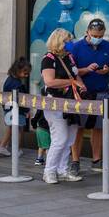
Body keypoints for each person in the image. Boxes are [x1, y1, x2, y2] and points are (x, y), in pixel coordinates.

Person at [65, 18, 109, 175]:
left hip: (101, 92)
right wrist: (86, 69)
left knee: (98, 128)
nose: (98, 37)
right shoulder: (76, 47)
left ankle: (97, 160)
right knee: (78, 128)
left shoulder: (108, 46)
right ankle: (75, 161)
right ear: (87, 32)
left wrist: (108, 70)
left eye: (101, 35)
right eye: (95, 34)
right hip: (82, 94)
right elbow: (71, 72)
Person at [39, 29, 85, 184]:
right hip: (54, 102)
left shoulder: (69, 57)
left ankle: (62, 169)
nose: (70, 43)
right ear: (59, 41)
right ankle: (49, 171)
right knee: (60, 138)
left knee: (70, 138)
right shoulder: (48, 58)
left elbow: (75, 75)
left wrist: (81, 86)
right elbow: (49, 81)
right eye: (67, 40)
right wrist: (71, 82)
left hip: (71, 102)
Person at [0, 58, 32, 156]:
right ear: (17, 70)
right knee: (19, 129)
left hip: (8, 108)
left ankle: (3, 146)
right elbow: (21, 100)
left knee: (11, 128)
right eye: (25, 73)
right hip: (17, 110)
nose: (27, 75)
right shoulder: (17, 84)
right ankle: (16, 149)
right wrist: (26, 110)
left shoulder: (9, 80)